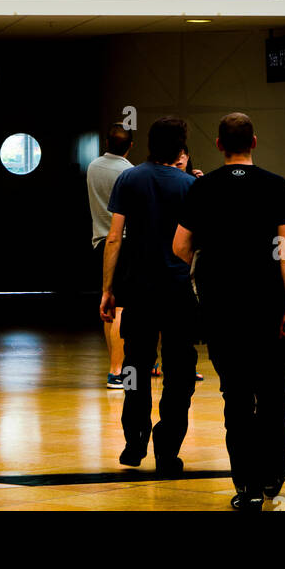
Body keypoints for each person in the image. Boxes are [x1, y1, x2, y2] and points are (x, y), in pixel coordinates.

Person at [174, 112, 285, 513]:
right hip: (267, 306)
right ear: (255, 142)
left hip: (221, 307)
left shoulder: (203, 188)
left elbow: (179, 247)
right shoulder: (276, 186)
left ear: (217, 145)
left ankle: (245, 487)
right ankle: (274, 472)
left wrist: (208, 255)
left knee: (237, 398)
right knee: (273, 391)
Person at [100, 116, 197, 477]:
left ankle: (134, 441)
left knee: (134, 368)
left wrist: (109, 289)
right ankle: (168, 449)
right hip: (176, 290)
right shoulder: (189, 186)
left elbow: (113, 238)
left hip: (137, 289)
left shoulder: (129, 179)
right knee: (179, 373)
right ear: (180, 148)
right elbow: (196, 244)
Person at [86, 122, 134, 387]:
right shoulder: (130, 172)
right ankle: (117, 370)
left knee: (108, 305)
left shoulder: (93, 167)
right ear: (130, 146)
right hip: (123, 243)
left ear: (106, 143)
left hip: (99, 243)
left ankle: (114, 365)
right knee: (122, 308)